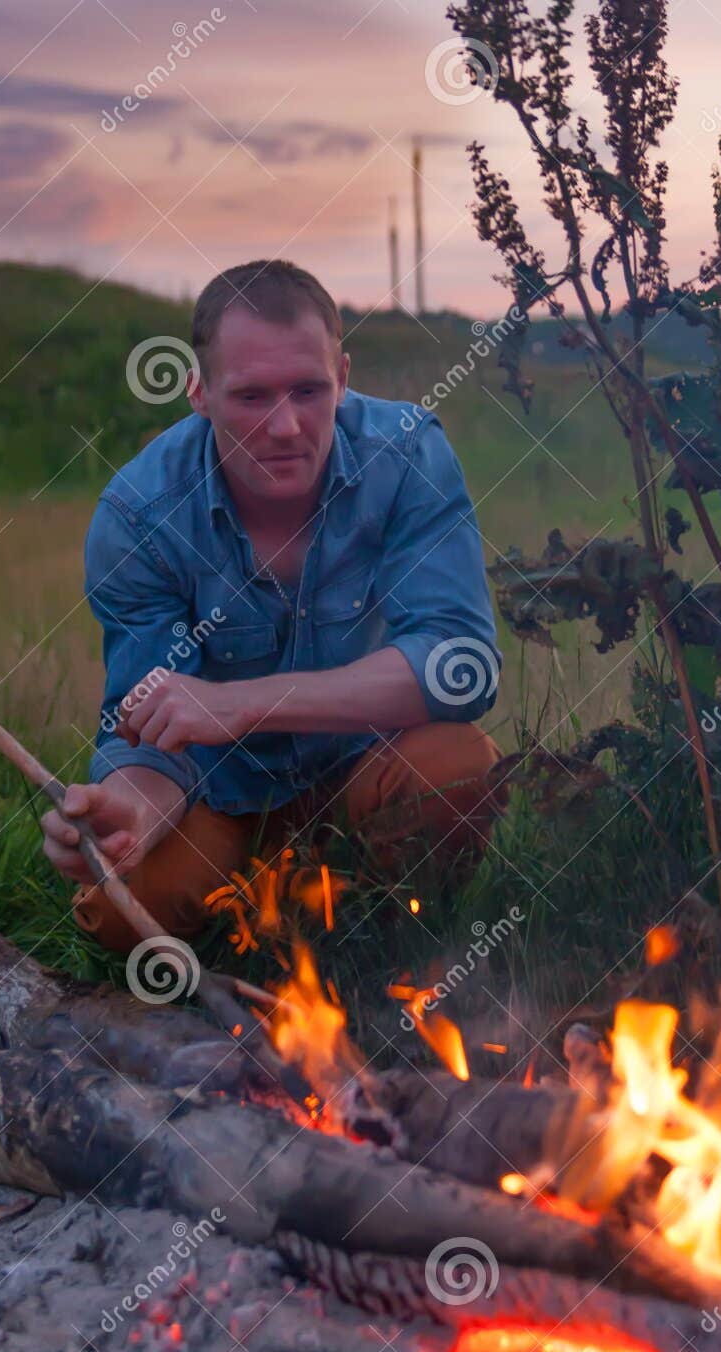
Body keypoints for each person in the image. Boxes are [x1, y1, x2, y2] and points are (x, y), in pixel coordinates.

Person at [41, 258, 505, 953]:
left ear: (343, 376)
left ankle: (386, 945)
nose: (286, 427)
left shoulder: (405, 455)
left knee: (459, 763)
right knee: (120, 908)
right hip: (222, 804)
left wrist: (247, 702)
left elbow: (459, 667)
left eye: (309, 391)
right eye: (252, 397)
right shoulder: (140, 514)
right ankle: (251, 946)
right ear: (198, 393)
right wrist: (125, 812)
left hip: (362, 775)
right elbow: (145, 728)